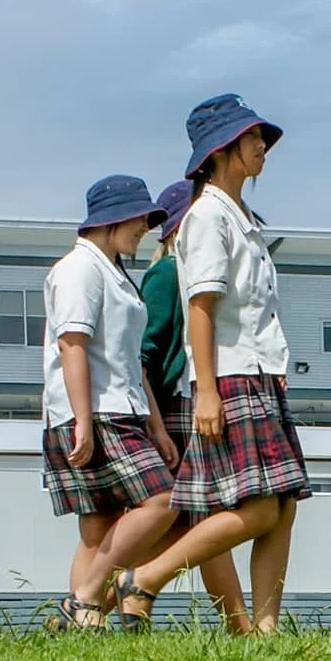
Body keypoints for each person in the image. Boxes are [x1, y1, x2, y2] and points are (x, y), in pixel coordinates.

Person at [116, 96, 314, 635]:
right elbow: (199, 307)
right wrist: (206, 390)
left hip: (260, 372)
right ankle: (146, 579)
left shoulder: (240, 215)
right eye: (255, 139)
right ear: (223, 149)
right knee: (257, 510)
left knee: (284, 505)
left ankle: (266, 632)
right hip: (228, 376)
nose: (263, 150)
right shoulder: (205, 214)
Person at [42, 176, 182, 630]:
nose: (145, 226)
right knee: (163, 501)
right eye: (139, 218)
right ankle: (89, 595)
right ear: (112, 219)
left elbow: (132, 360)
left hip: (124, 407)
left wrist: (157, 428)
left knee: (99, 527)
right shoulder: (78, 268)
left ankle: (81, 618)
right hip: (94, 410)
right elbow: (72, 344)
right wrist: (82, 419)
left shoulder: (114, 270)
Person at [133, 180, 251, 634]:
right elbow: (146, 351)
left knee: (194, 519)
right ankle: (108, 597)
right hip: (176, 408)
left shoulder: (190, 272)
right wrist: (156, 422)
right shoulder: (167, 275)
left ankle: (112, 599)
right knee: (203, 517)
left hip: (188, 404)